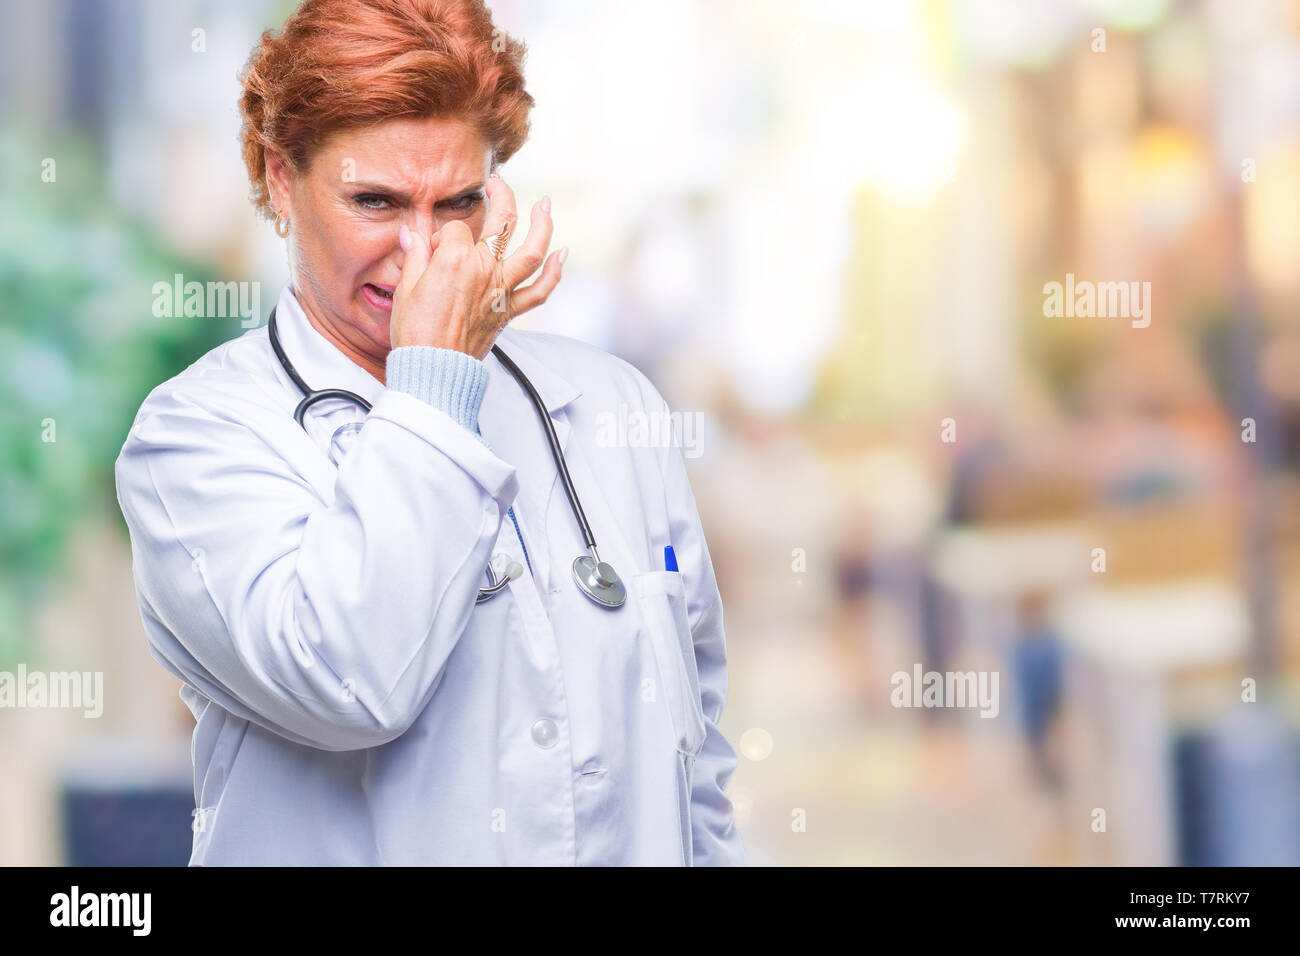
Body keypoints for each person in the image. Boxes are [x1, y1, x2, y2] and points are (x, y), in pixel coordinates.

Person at [113, 0, 743, 866]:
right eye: (374, 200)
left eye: (459, 201)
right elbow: (353, 684)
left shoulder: (607, 405)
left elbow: (696, 760)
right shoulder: (194, 440)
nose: (421, 251)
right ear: (279, 181)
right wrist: (436, 378)